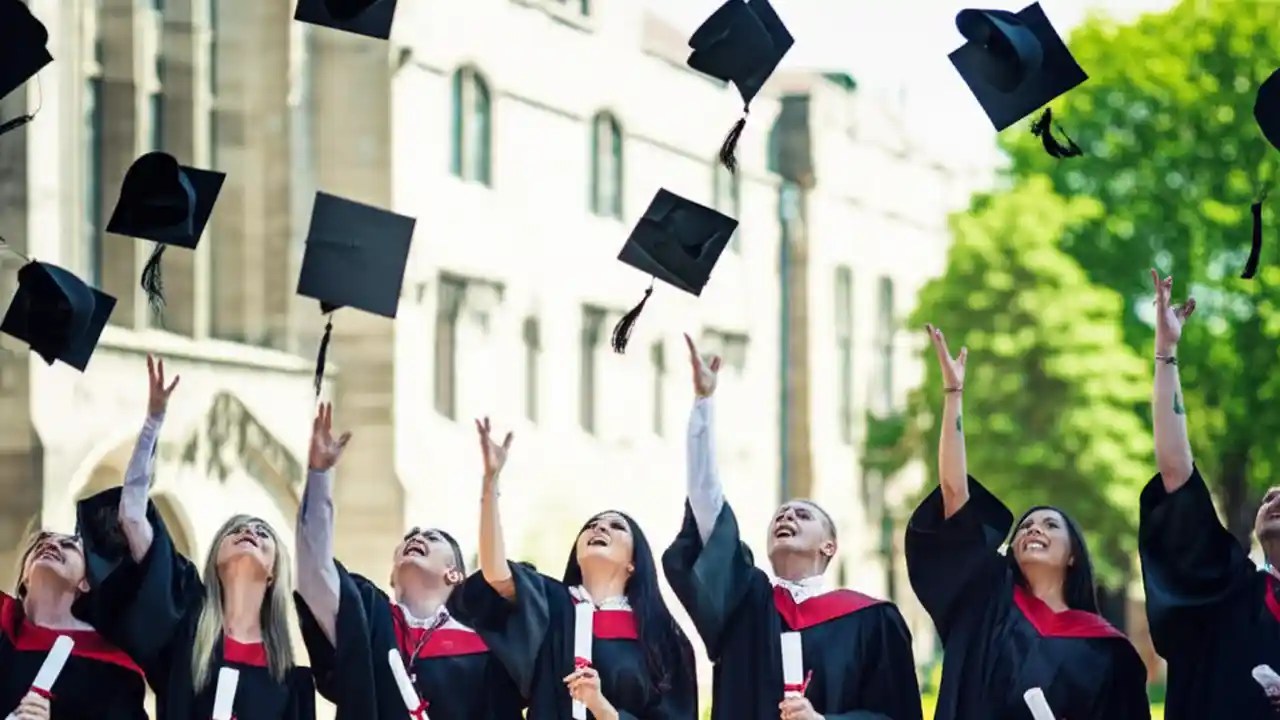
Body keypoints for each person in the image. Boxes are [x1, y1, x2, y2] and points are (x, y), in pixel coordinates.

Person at [663, 334, 922, 720]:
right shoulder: (745, 604)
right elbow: (708, 506)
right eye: (780, 515)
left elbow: (892, 715)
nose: (786, 518)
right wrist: (704, 404)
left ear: (830, 546)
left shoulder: (869, 621)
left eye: (803, 515)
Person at [906, 325, 1150, 720]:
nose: (1033, 529)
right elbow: (954, 491)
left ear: (1074, 556)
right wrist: (953, 396)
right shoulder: (988, 600)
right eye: (1026, 526)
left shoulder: (1107, 652)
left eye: (1051, 526)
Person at [75, 355, 318, 720]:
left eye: (261, 532)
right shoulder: (184, 628)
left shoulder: (290, 680)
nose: (248, 532)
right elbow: (132, 517)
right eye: (235, 529)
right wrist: (153, 423)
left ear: (274, 572)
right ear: (215, 557)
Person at [446, 417, 698, 719]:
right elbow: (495, 573)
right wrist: (490, 484)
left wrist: (600, 706)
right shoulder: (552, 605)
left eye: (615, 526)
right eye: (591, 526)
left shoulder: (662, 636)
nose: (599, 528)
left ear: (634, 562)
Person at [294, 403, 525, 720]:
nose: (417, 537)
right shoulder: (370, 622)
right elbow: (314, 574)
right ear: (392, 576)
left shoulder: (487, 642)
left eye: (432, 538)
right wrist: (319, 475)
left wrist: (490, 485)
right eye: (411, 536)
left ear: (455, 574)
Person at [1138, 270, 1280, 718]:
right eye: (1268, 498)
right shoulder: (1225, 590)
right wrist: (1165, 353)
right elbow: (1177, 471)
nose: (1274, 496)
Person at [0, 530, 147, 719]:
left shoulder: (111, 672)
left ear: (86, 581)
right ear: (25, 577)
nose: (51, 543)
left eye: (69, 545)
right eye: (42, 541)